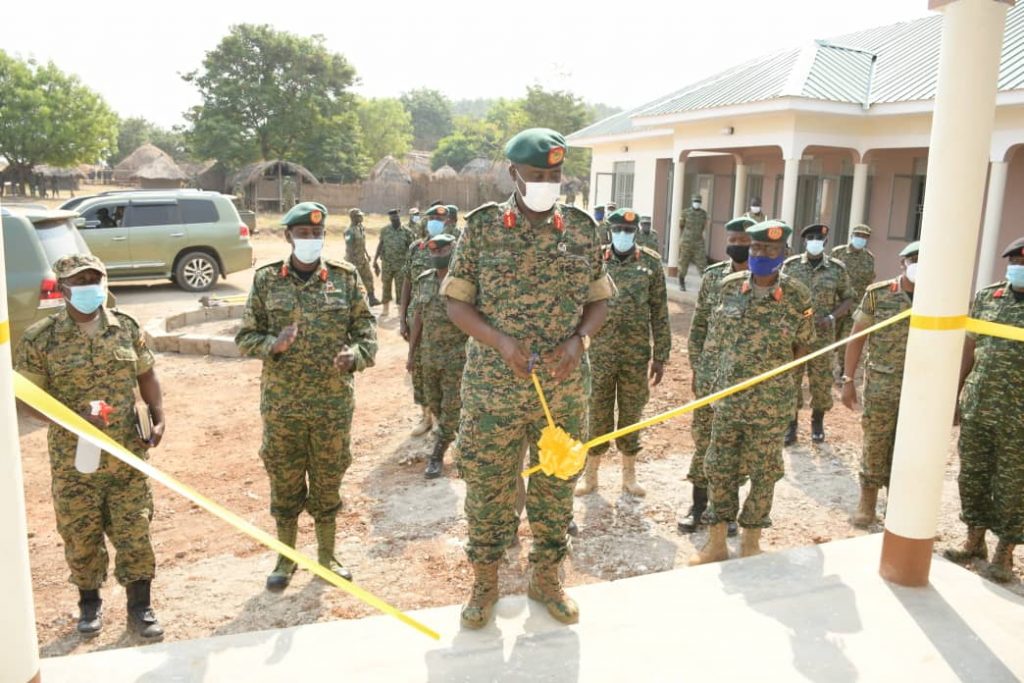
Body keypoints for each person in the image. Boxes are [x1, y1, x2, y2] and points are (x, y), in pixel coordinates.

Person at [442, 128, 612, 629]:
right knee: (488, 489)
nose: (547, 183)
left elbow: (600, 299)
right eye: (537, 175)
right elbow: (456, 303)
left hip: (562, 390)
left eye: (554, 175)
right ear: (513, 173)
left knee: (556, 487)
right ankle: (485, 584)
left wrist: (579, 342)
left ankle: (547, 579)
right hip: (494, 390)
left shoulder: (581, 229)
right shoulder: (483, 228)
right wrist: (500, 342)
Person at [15, 254, 166, 638]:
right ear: (62, 288)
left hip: (126, 454)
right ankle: (89, 605)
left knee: (135, 530)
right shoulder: (41, 338)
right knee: (80, 533)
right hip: (74, 461)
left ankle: (140, 608)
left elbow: (146, 374)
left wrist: (158, 414)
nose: (89, 287)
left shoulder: (125, 327)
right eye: (79, 281)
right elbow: (26, 398)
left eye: (94, 279)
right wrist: (71, 418)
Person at [235, 202, 377, 590]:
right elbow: (245, 337)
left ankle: (327, 556)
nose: (311, 239)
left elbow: (367, 331)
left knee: (329, 478)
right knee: (284, 479)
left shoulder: (345, 278)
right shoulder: (267, 280)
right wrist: (273, 344)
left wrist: (356, 356)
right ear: (288, 237)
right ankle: (286, 558)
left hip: (332, 404)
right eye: (303, 234)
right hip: (283, 406)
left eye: (317, 234)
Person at [690, 221, 814, 565]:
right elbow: (714, 342)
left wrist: (786, 387)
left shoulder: (798, 295)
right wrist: (708, 385)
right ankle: (716, 542)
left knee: (764, 472)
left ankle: (751, 542)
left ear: (784, 253)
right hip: (728, 401)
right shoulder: (728, 287)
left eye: (770, 250)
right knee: (719, 468)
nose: (761, 254)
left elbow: (803, 346)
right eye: (756, 248)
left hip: (770, 405)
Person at [575, 208, 670, 499]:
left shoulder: (650, 263)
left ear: (636, 232)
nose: (623, 235)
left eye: (628, 231)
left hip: (635, 354)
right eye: (618, 230)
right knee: (596, 413)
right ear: (609, 231)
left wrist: (661, 355)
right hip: (599, 353)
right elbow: (579, 304)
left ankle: (629, 476)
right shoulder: (595, 260)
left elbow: (659, 310)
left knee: (631, 413)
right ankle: (591, 476)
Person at [945, 236, 1024, 582]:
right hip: (978, 406)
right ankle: (974, 540)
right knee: (973, 475)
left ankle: (1004, 552)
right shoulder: (987, 298)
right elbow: (969, 349)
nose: (1019, 268)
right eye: (1015, 262)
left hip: (1019, 416)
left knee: (1013, 483)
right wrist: (955, 394)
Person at [678, 216, 755, 535]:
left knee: (736, 446)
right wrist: (697, 367)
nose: (737, 246)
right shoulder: (713, 277)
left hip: (747, 381)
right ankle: (698, 506)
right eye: (733, 240)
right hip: (712, 376)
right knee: (704, 441)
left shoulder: (768, 281)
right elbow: (699, 326)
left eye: (744, 242)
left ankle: (726, 512)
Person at [840, 242, 917, 528]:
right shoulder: (879, 294)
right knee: (876, 441)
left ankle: (900, 507)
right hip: (882, 385)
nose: (918, 264)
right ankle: (867, 503)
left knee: (912, 446)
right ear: (902, 263)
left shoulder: (939, 297)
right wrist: (848, 380)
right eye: (913, 259)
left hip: (922, 389)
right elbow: (856, 337)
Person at [780, 224, 855, 444]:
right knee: (792, 378)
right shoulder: (791, 266)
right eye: (810, 238)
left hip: (822, 335)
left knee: (822, 380)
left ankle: (817, 422)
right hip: (795, 336)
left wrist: (832, 317)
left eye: (819, 239)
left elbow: (848, 297)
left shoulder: (836, 269)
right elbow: (779, 295)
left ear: (825, 242)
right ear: (804, 242)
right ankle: (791, 425)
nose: (815, 241)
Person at [407, 233, 467, 478]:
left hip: (457, 358)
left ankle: (437, 454)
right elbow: (418, 316)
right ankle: (459, 439)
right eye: (433, 251)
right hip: (429, 356)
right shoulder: (424, 280)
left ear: (453, 251)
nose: (437, 255)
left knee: (451, 407)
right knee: (435, 404)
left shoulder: (463, 281)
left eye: (442, 251)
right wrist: (412, 353)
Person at [400, 204, 450, 437]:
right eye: (432, 219)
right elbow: (407, 282)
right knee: (419, 369)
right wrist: (402, 319)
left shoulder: (454, 247)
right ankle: (426, 416)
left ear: (447, 221)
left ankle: (444, 419)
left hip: (447, 323)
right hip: (418, 317)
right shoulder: (416, 248)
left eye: (440, 219)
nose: (435, 223)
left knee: (446, 371)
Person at [830, 225, 876, 380]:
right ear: (852, 236)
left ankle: (842, 372)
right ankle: (824, 368)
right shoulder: (838, 252)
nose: (860, 239)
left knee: (847, 340)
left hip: (855, 306)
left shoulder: (869, 258)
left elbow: (869, 280)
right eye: (858, 235)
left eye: (864, 237)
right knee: (831, 338)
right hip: (836, 304)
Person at [373, 209, 414, 318]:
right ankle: (385, 309)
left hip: (401, 265)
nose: (395, 220)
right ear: (390, 219)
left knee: (400, 288)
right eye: (392, 219)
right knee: (386, 286)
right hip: (387, 264)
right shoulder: (385, 230)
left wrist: (411, 262)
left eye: (396, 218)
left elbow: (411, 248)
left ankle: (401, 310)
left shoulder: (407, 231)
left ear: (399, 218)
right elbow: (380, 244)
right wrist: (375, 260)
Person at [345, 208, 380, 306]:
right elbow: (349, 248)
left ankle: (372, 298)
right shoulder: (349, 231)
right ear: (353, 217)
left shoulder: (360, 228)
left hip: (363, 259)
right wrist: (352, 263)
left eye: (361, 215)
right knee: (353, 282)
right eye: (359, 216)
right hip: (354, 261)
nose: (361, 217)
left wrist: (367, 255)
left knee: (369, 277)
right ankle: (351, 302)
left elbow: (362, 244)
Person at [677, 193, 708, 291]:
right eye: (695, 201)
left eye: (698, 201)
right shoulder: (685, 213)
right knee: (683, 264)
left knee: (703, 264)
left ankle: (707, 285)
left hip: (698, 243)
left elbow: (703, 227)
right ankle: (681, 283)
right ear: (692, 202)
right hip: (686, 242)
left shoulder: (703, 214)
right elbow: (681, 225)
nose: (697, 203)